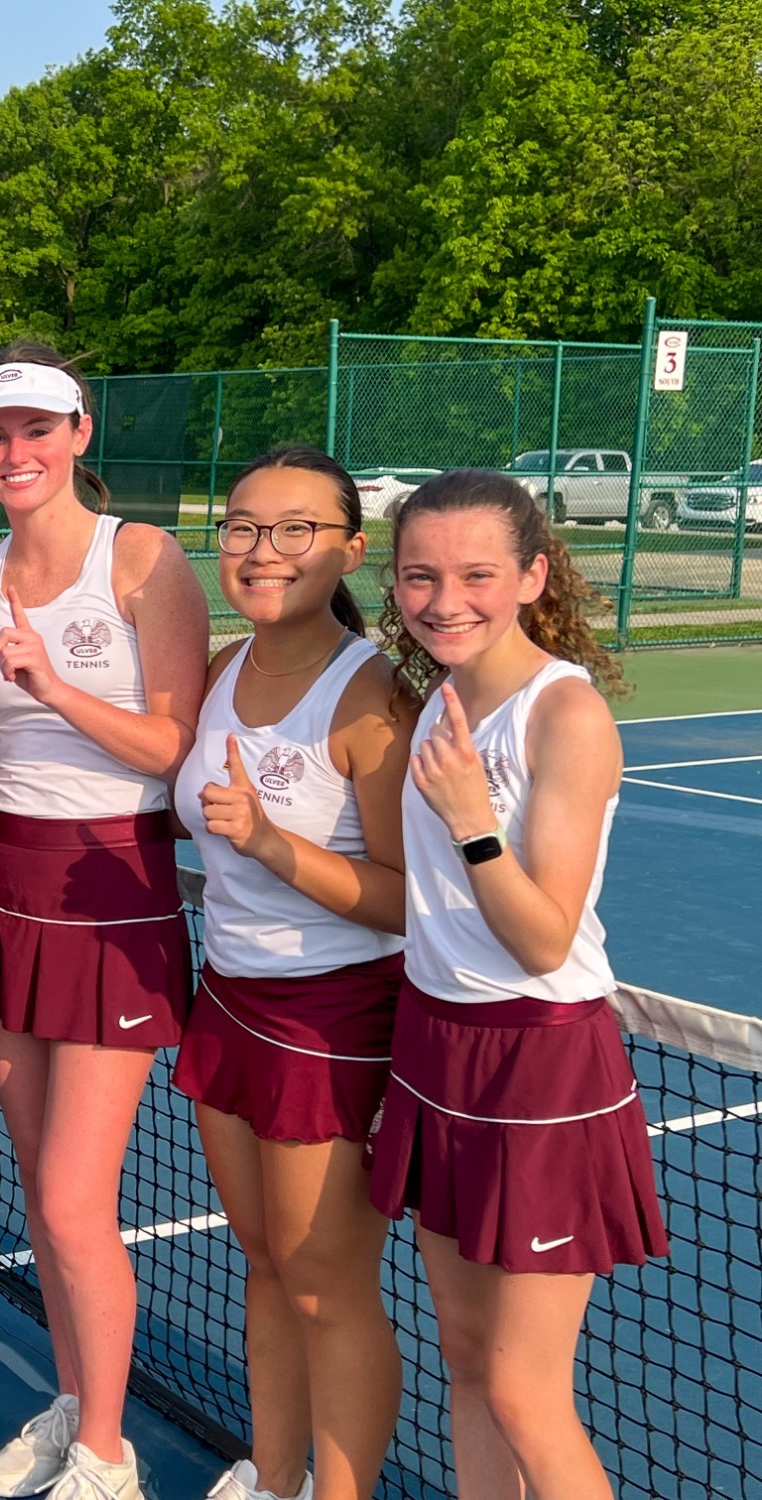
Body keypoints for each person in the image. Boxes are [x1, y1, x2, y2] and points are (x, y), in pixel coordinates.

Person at [368, 468, 665, 1497]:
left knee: (521, 1388)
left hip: (539, 1059)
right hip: (433, 1045)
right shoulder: (437, 701)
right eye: (418, 575)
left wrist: (467, 818)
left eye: (475, 574)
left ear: (533, 576)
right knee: (460, 1357)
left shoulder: (564, 715)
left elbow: (541, 940)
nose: (443, 600)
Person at [0, 344, 208, 1500]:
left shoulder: (144, 560)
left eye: (36, 430)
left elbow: (172, 748)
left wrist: (53, 685)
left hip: (110, 886)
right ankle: (70, 1405)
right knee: (34, 1192)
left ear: (78, 435)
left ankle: (109, 1453)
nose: (17, 453)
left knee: (70, 1199)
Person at [170, 447, 415, 1500]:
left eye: (293, 530)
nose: (260, 551)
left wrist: (276, 847)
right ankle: (273, 1477)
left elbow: (411, 899)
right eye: (240, 528)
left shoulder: (372, 703)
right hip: (226, 996)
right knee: (264, 1261)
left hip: (338, 1016)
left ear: (349, 550)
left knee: (325, 1283)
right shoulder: (223, 666)